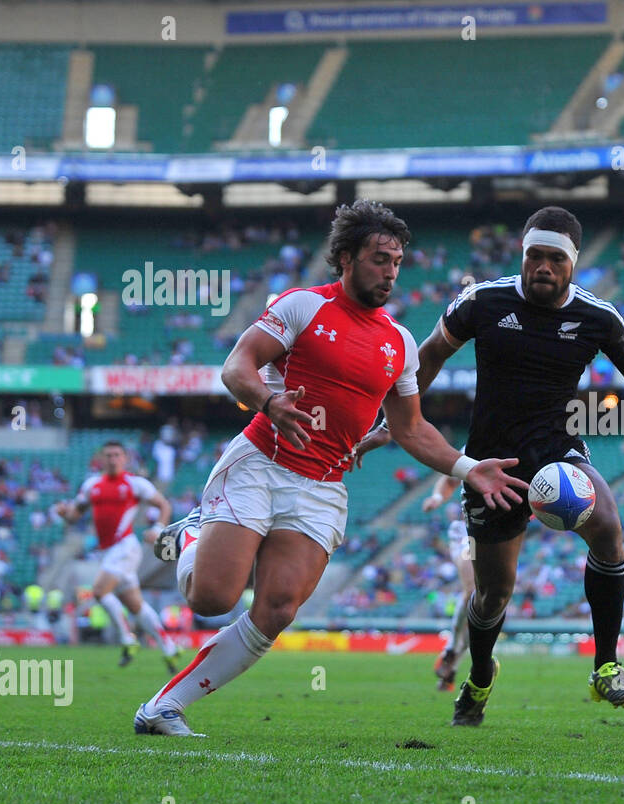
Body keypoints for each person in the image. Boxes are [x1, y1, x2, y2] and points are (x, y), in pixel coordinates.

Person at [132, 199, 527, 737]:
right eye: (378, 259)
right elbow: (236, 366)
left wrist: (468, 468)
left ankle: (163, 708)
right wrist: (269, 403)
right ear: (345, 258)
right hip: (261, 463)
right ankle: (193, 534)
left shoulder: (400, 343)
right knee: (212, 599)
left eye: (396, 262)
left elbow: (410, 429)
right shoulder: (300, 307)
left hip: (321, 486)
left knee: (276, 610)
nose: (389, 271)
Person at [356, 206, 624, 726]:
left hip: (560, 451)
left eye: (554, 259)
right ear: (522, 256)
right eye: (534, 257)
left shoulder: (598, 318)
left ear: (573, 263)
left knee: (609, 529)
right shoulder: (482, 301)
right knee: (493, 592)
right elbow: (428, 356)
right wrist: (393, 422)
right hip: (488, 462)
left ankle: (607, 666)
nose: (542, 267)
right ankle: (479, 677)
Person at [55, 440, 181, 671]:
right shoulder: (92, 485)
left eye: (117, 455)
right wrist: (65, 514)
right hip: (108, 551)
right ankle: (169, 647)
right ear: (102, 459)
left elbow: (164, 505)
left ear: (125, 458)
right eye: (108, 455)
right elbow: (75, 515)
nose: (112, 459)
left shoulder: (135, 484)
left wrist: (157, 528)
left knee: (99, 592)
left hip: (125, 546)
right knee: (136, 606)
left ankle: (127, 639)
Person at [422, 472, 473, 691]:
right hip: (468, 531)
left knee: (486, 609)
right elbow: (449, 479)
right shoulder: (473, 447)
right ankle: (452, 645)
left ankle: (450, 668)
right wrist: (437, 498)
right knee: (473, 592)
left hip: (502, 532)